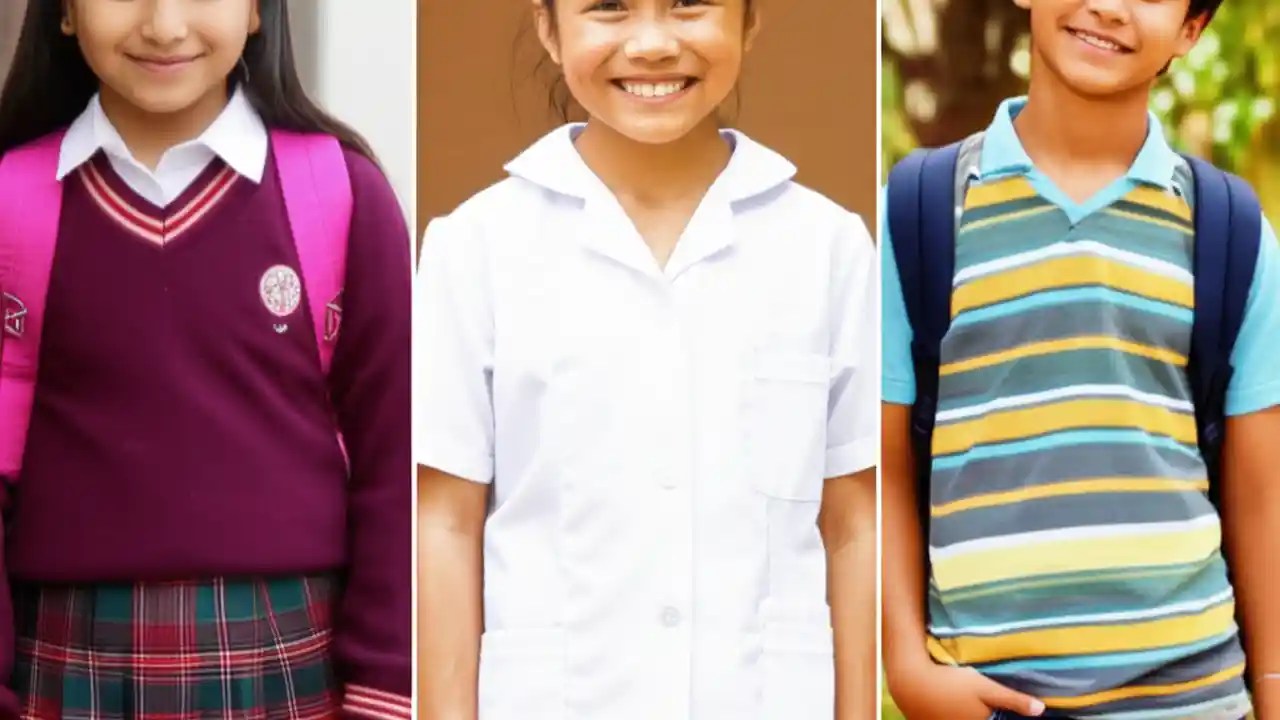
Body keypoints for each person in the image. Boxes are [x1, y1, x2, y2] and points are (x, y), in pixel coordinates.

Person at [415, 0, 877, 718]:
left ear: (751, 21)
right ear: (547, 26)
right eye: (608, 8)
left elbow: (854, 523)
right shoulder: (475, 248)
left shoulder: (828, 248)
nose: (654, 43)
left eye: (690, 6)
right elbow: (444, 521)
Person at [0, 1, 411, 717]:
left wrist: (384, 686)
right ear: (64, 12)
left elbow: (394, 457)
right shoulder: (11, 203)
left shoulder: (341, 195)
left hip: (288, 658)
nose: (165, 25)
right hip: (64, 663)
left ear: (258, 11)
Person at [881, 0, 1280, 718]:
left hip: (1193, 699)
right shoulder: (916, 212)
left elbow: (1260, 491)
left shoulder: (1231, 230)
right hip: (985, 698)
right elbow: (880, 467)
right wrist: (907, 666)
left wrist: (1276, 688)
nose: (1109, 7)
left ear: (1191, 30)